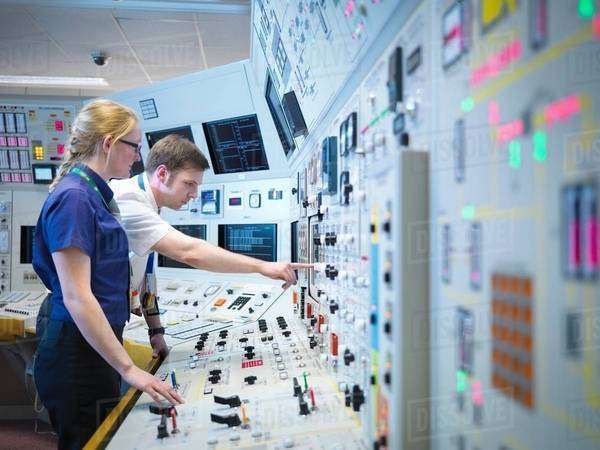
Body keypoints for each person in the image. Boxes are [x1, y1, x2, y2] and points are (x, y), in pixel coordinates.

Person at [32, 99, 184, 450]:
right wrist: (129, 370)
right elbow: (77, 296)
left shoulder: (93, 195)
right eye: (134, 145)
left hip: (92, 348)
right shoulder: (74, 198)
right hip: (76, 355)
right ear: (108, 143)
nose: (138, 156)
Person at [110, 134, 311, 358]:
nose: (194, 194)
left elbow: (147, 274)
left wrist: (156, 330)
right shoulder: (129, 200)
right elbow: (191, 253)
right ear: (162, 173)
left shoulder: (150, 205)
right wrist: (264, 267)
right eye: (189, 184)